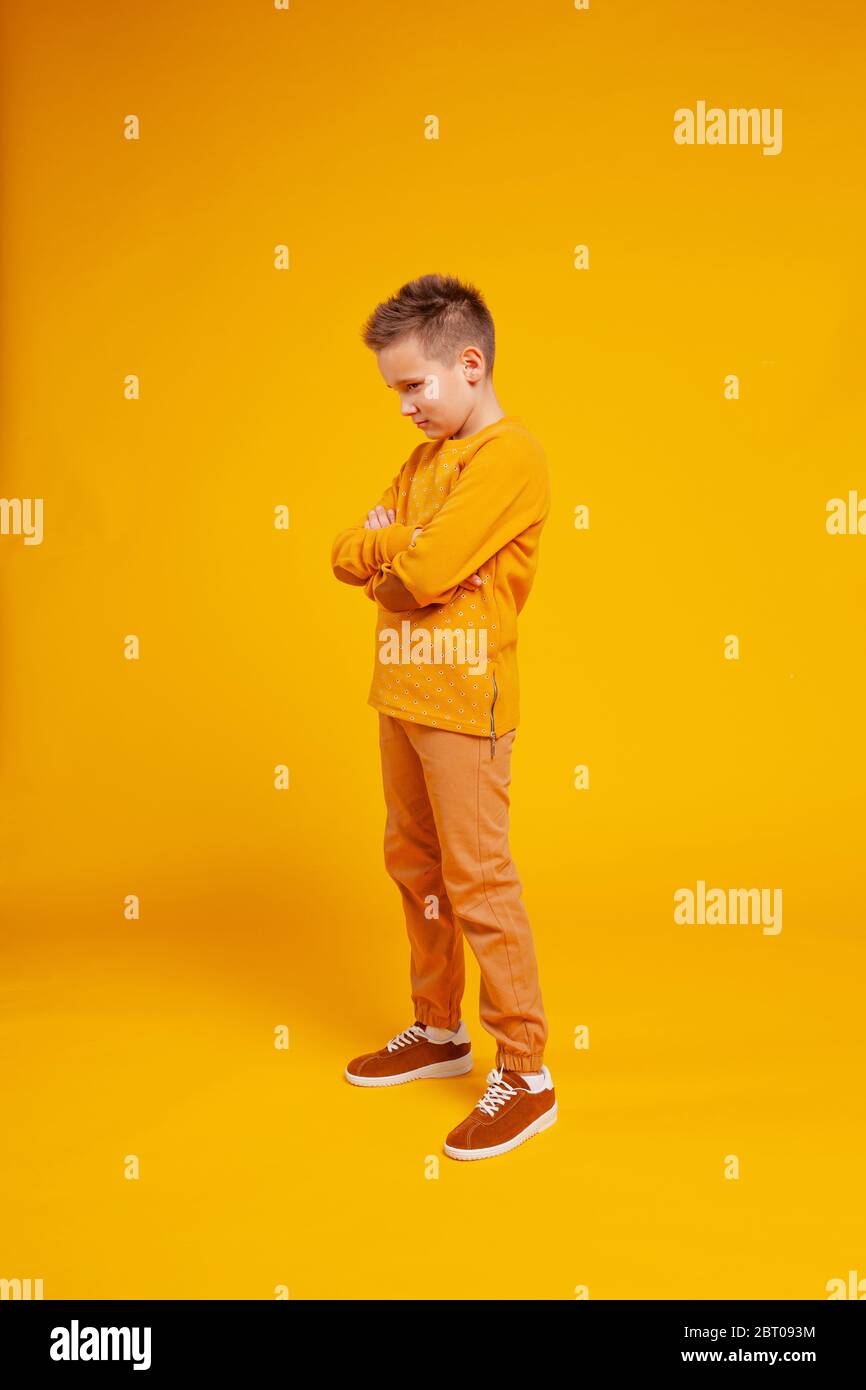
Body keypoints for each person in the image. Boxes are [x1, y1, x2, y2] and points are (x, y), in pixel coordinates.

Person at [330, 272, 556, 1161]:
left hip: (466, 703)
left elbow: (414, 576)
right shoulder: (426, 462)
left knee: (478, 879)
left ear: (470, 364)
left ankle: (527, 1071)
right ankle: (438, 1029)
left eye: (413, 387)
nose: (404, 407)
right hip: (400, 693)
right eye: (394, 391)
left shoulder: (508, 457)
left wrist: (404, 557)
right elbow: (352, 551)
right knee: (412, 863)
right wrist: (402, 550)